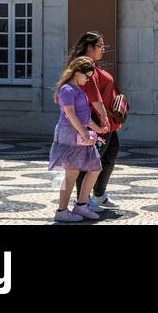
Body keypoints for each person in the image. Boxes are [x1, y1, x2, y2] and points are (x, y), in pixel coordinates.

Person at [69, 32, 121, 212]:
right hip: (95, 119)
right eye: (100, 45)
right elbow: (93, 94)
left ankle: (99, 194)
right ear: (89, 47)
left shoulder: (93, 65)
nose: (103, 49)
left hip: (106, 120)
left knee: (109, 155)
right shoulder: (85, 66)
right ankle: (83, 199)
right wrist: (103, 117)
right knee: (90, 160)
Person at [50, 56, 104, 222]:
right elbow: (70, 114)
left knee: (95, 167)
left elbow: (84, 116)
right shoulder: (67, 89)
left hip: (80, 132)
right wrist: (84, 133)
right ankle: (62, 210)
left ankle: (81, 205)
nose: (88, 80)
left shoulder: (78, 89)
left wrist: (97, 129)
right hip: (69, 133)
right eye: (86, 76)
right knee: (71, 174)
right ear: (76, 72)